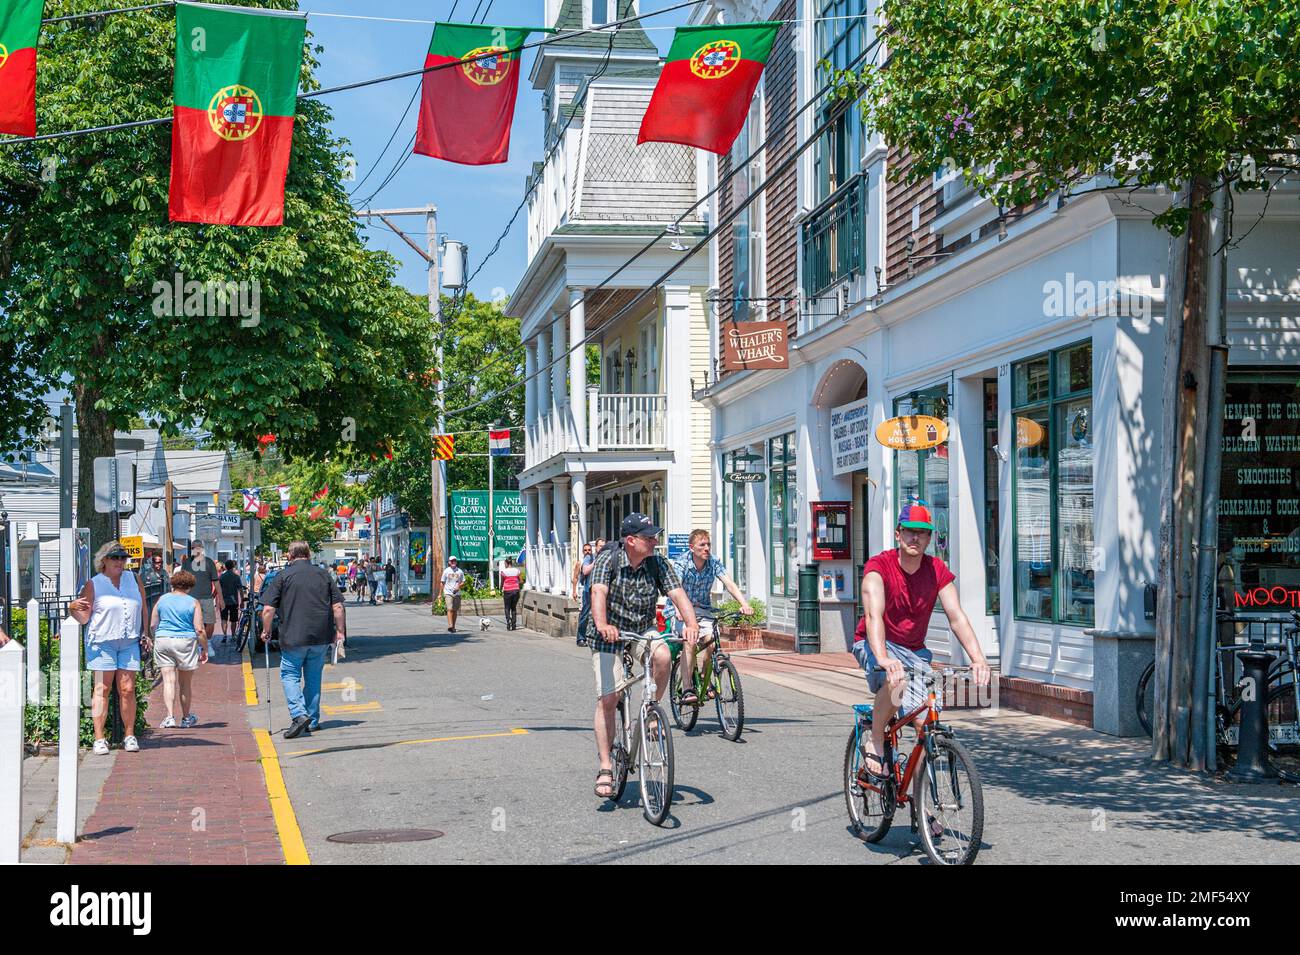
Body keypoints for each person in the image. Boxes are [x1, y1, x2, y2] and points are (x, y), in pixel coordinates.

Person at [855, 500, 991, 784]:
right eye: (909, 531)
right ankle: (877, 739)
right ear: (898, 534)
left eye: (922, 532)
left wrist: (978, 659)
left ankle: (923, 809)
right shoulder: (879, 566)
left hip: (915, 651)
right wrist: (882, 658)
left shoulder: (936, 569)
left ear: (930, 537)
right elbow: (873, 616)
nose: (915, 537)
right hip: (875, 643)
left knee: (924, 727)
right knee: (897, 682)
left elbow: (957, 617)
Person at [587, 514, 699, 799]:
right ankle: (605, 767)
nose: (654, 541)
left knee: (662, 656)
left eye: (655, 536)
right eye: (648, 537)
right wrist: (602, 625)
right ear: (630, 540)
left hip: (641, 628)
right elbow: (598, 593)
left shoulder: (657, 563)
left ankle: (650, 712)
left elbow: (678, 595)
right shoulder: (607, 560)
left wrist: (691, 625)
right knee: (608, 698)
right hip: (608, 632)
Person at [69, 541, 151, 754]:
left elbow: (143, 607)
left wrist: (146, 633)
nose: (120, 562)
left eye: (123, 558)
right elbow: (84, 617)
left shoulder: (134, 579)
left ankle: (129, 734)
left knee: (128, 689)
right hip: (102, 641)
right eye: (115, 557)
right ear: (103, 560)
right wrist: (72, 608)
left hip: (129, 640)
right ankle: (99, 737)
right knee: (102, 689)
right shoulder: (94, 584)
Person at [260, 540, 346, 739]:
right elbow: (338, 607)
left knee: (290, 675)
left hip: (293, 636)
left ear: (289, 555)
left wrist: (266, 630)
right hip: (320, 636)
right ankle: (312, 720)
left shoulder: (283, 576)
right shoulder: (324, 575)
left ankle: (298, 715)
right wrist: (339, 631)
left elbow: (267, 609)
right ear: (308, 554)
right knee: (314, 677)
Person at [664, 529, 753, 705]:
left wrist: (744, 604)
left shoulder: (713, 562)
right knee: (689, 640)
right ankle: (687, 688)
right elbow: (675, 589)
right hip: (680, 610)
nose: (706, 548)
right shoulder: (681, 563)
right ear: (691, 547)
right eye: (702, 545)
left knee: (712, 639)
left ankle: (705, 678)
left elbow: (729, 583)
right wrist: (678, 610)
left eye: (708, 545)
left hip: (703, 610)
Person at [151, 569, 207, 728]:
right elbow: (199, 629)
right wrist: (205, 649)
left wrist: (158, 637)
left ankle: (169, 717)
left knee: (168, 681)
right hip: (185, 642)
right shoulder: (193, 602)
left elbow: (153, 624)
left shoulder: (162, 599)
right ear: (189, 586)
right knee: (185, 684)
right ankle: (186, 717)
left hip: (163, 640)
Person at [182, 542, 222, 646]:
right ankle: (195, 644)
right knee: (190, 623)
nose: (195, 549)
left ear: (202, 548)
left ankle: (207, 642)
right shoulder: (186, 562)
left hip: (206, 598)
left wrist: (221, 599)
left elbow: (216, 581)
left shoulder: (209, 562)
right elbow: (182, 580)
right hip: (189, 598)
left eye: (197, 547)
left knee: (210, 622)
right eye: (193, 547)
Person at [218, 559, 242, 642]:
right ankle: (232, 635)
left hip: (223, 601)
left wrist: (217, 600)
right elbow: (240, 589)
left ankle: (224, 635)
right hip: (233, 601)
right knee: (233, 620)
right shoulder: (236, 577)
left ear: (225, 567)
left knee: (223, 619)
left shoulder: (221, 577)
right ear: (233, 566)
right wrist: (242, 600)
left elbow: (218, 590)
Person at [440, 556, 466, 633]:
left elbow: (463, 582)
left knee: (455, 610)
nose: (453, 562)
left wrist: (459, 586)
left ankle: (453, 626)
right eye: (451, 561)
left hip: (457, 593)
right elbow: (442, 582)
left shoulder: (460, 571)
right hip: (448, 592)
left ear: (456, 562)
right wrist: (439, 594)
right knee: (449, 609)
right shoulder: (446, 571)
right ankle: (450, 625)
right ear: (449, 562)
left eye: (454, 561)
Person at [140, 553, 169, 621]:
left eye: (161, 562)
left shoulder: (164, 573)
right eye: (157, 562)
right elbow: (141, 588)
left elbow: (168, 587)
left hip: (163, 603)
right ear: (153, 563)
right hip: (150, 603)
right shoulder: (146, 574)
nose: (160, 564)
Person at [500, 557, 522, 630]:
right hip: (516, 591)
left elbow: (502, 582)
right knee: (513, 608)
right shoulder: (517, 571)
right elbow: (521, 581)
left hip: (507, 591)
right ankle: (514, 624)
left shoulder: (503, 572)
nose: (504, 565)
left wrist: (500, 588)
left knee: (507, 607)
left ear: (506, 563)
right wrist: (516, 584)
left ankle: (508, 621)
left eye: (504, 564)